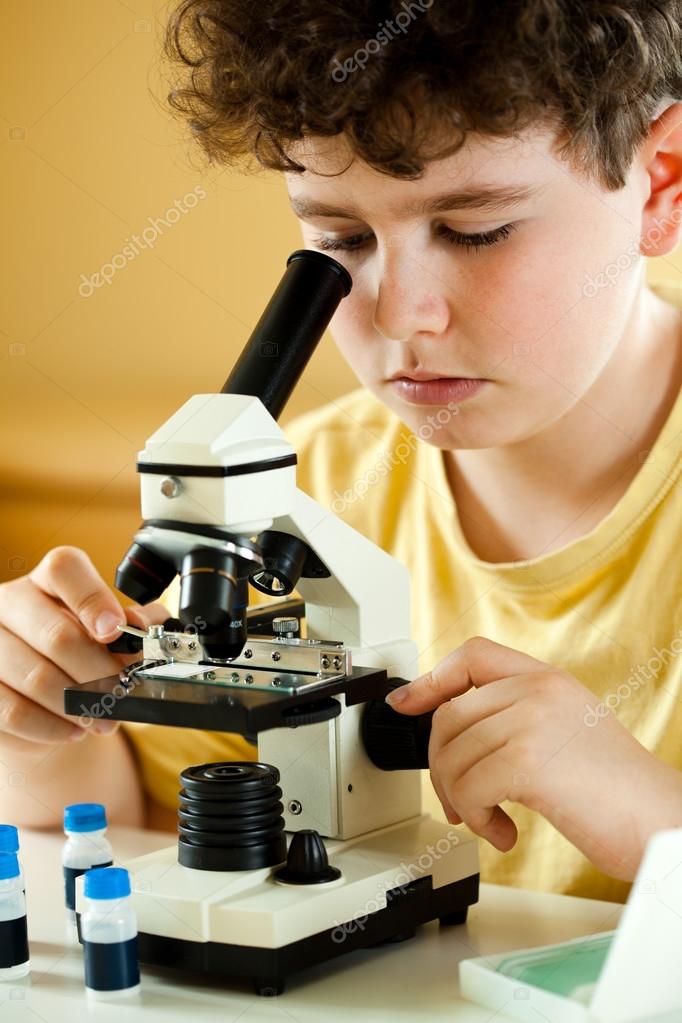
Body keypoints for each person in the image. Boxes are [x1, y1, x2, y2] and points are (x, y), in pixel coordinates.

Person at [2, 0, 682, 904]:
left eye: (473, 230)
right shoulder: (297, 487)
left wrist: (659, 823)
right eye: (340, 241)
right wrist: (32, 719)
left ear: (662, 183)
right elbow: (137, 820)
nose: (400, 315)